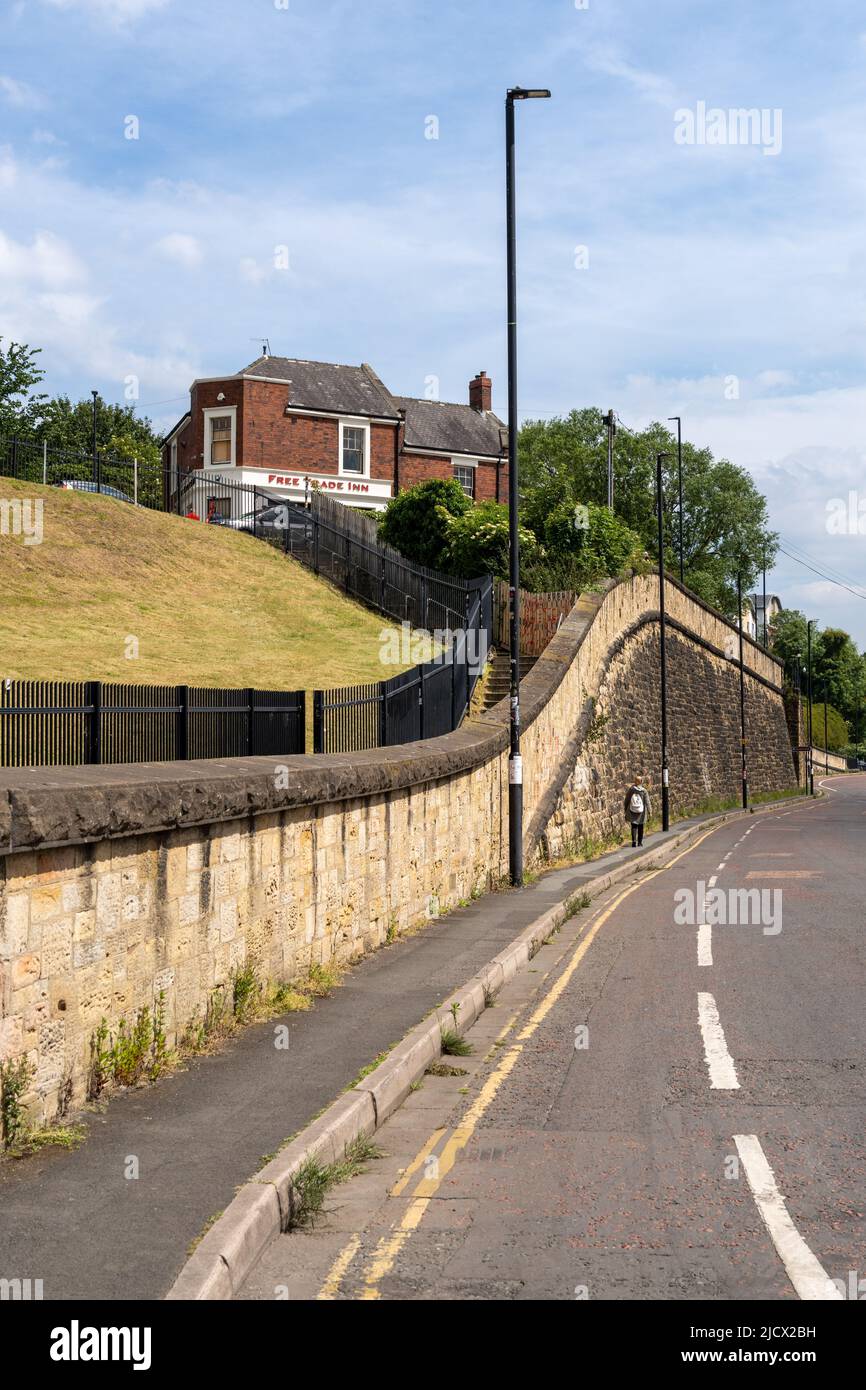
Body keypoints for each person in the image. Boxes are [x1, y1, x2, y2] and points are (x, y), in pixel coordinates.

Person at [624, 776, 651, 847]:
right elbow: (647, 802)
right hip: (641, 812)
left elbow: (627, 799)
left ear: (635, 781)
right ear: (641, 782)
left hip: (632, 810)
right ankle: (640, 842)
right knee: (641, 826)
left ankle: (634, 842)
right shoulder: (644, 791)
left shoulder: (631, 790)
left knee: (634, 826)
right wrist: (649, 811)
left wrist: (625, 808)